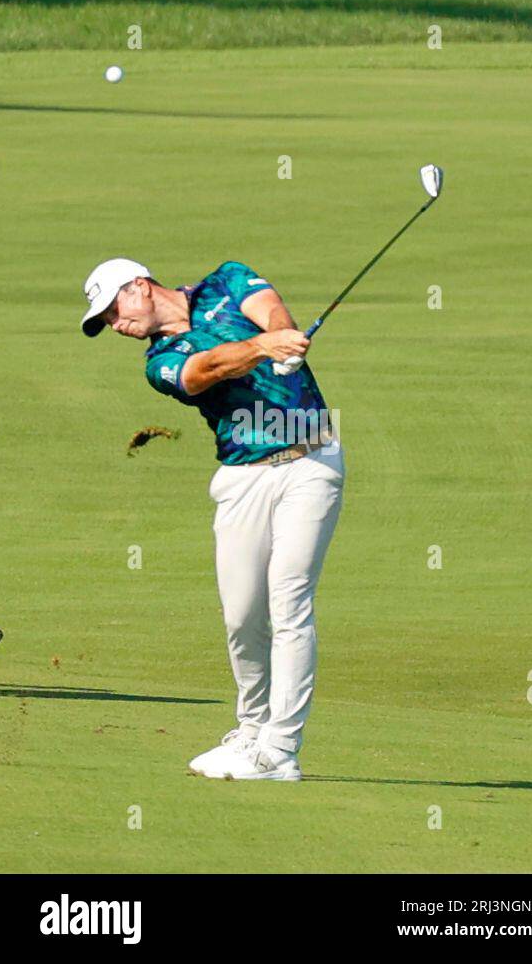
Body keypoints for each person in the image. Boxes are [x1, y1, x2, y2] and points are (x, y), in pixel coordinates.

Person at [81, 257, 344, 780]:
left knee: (289, 602)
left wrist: (282, 337)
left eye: (113, 310)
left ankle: (280, 751)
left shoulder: (226, 279)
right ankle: (251, 732)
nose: (115, 324)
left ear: (139, 286)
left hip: (312, 461)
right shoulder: (159, 362)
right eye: (106, 321)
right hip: (243, 475)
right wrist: (261, 349)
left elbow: (270, 310)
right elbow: (207, 371)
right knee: (242, 616)